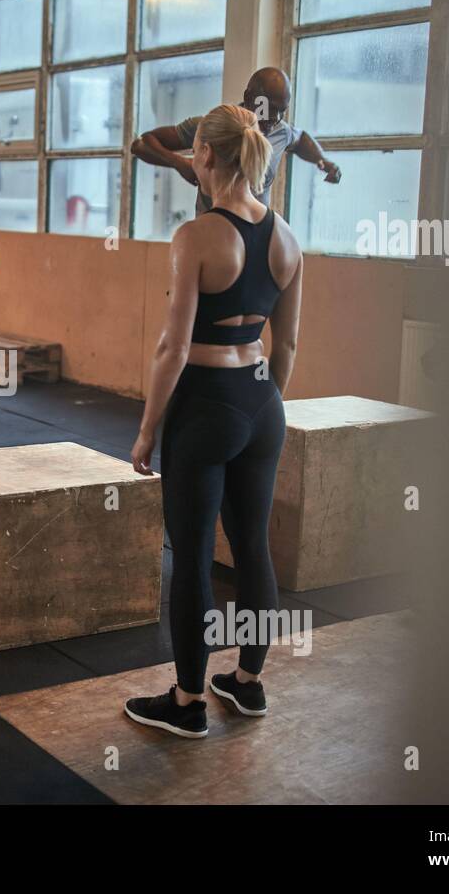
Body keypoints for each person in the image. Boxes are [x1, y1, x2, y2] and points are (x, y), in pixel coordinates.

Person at [124, 103, 304, 738]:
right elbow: (286, 346)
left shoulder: (196, 236)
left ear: (203, 156)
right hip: (262, 404)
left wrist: (148, 430)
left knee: (195, 556)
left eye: (192, 152)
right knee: (253, 546)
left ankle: (187, 702)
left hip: (205, 404)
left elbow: (172, 349)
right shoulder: (286, 236)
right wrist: (259, 410)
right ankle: (248, 684)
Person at [130, 67, 341, 220]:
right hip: (213, 237)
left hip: (255, 239)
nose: (275, 118)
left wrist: (323, 161)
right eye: (269, 107)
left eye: (281, 110)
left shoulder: (280, 132)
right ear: (249, 97)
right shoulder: (211, 127)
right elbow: (141, 145)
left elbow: (301, 139)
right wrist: (178, 163)